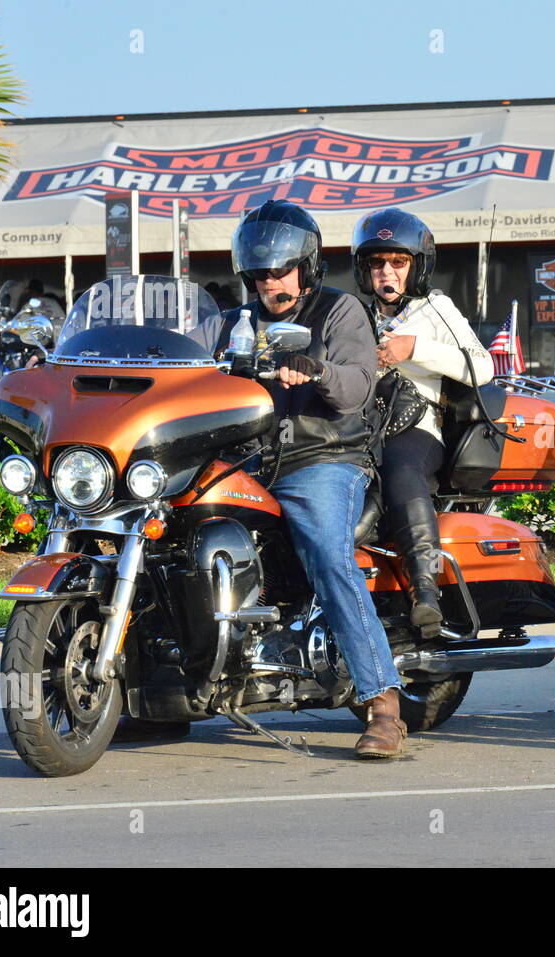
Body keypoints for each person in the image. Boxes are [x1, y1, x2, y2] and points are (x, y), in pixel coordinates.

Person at [192, 200, 408, 759]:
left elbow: (358, 384)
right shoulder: (226, 323)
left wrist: (316, 369)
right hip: (242, 462)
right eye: (261, 273)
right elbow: (182, 368)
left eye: (282, 270)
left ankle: (382, 701)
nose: (271, 282)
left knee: (326, 552)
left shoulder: (339, 313)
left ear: (306, 266)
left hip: (324, 458)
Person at [351, 208, 494, 637]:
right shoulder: (352, 312)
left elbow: (482, 366)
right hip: (355, 428)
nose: (386, 272)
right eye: (377, 263)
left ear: (417, 266)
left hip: (415, 425)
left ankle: (425, 591)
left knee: (401, 468)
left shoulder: (436, 307)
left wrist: (414, 347)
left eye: (398, 262)